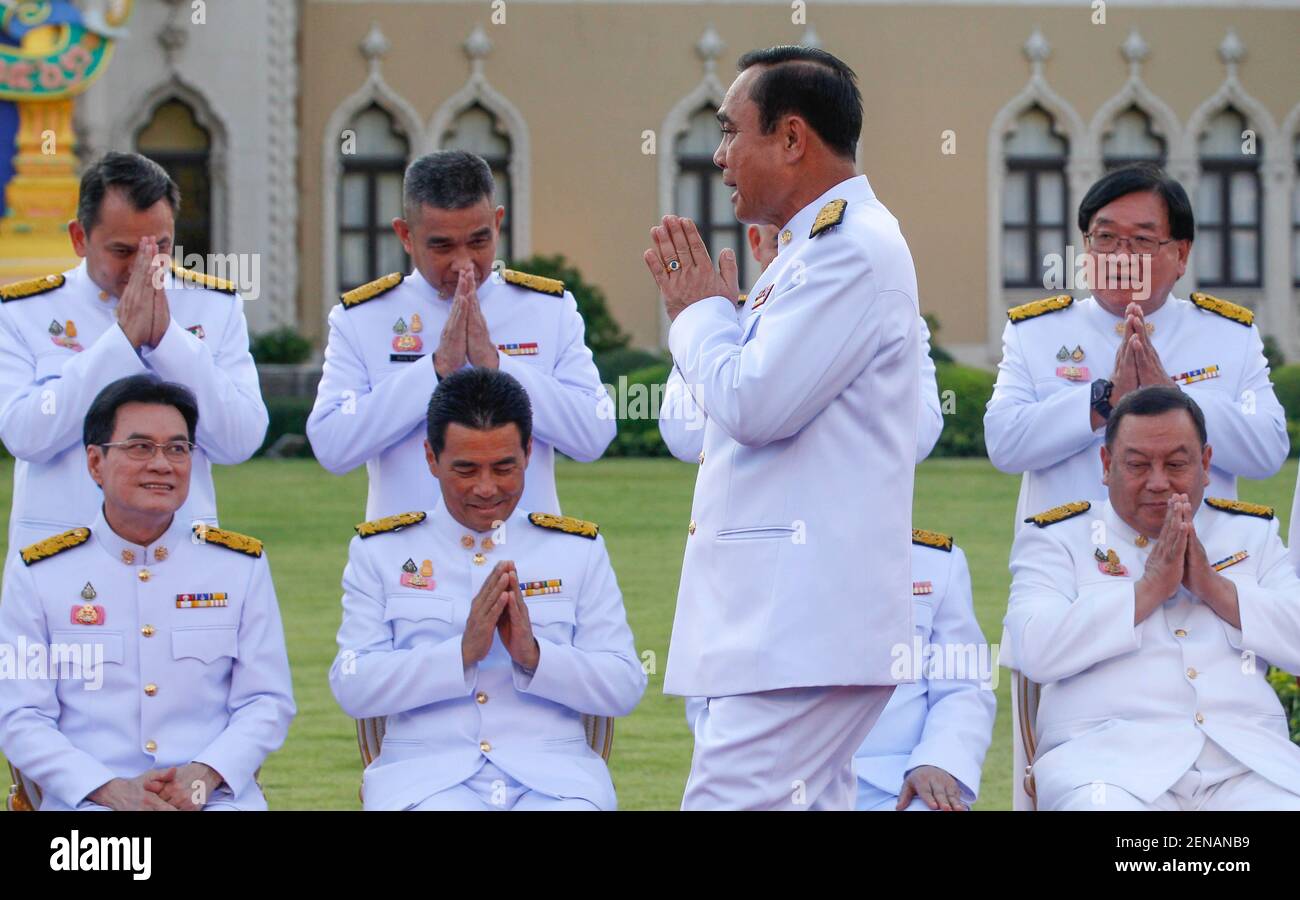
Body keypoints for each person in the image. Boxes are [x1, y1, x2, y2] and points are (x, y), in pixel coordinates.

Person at [643, 45, 921, 810]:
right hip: (788, 630)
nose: (720, 155)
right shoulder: (809, 254)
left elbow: (754, 407)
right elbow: (712, 429)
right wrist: (722, 319)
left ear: (792, 139)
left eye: (733, 132)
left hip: (799, 631)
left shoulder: (848, 250)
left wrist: (698, 310)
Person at [328, 367, 645, 810]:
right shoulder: (380, 551)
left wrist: (534, 656)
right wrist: (460, 653)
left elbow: (624, 684)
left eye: (504, 467)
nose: (486, 488)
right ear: (430, 458)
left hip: (555, 781)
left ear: (529, 452)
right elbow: (352, 685)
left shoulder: (576, 550)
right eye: (465, 468)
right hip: (428, 782)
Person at [0, 375, 295, 811]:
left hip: (210, 799)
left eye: (177, 449)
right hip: (88, 802)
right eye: (140, 447)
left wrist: (203, 778)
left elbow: (267, 702)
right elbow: (20, 716)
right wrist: (108, 789)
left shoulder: (238, 567)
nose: (162, 464)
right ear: (95, 463)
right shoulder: (40, 574)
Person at [1003, 386, 1300, 811]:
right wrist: (1147, 592)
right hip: (1106, 770)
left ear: (1206, 464)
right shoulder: (1057, 538)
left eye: (1177, 464)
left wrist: (1215, 590)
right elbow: (1036, 650)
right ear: (1107, 466)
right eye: (1138, 465)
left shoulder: (1251, 532)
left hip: (1248, 767)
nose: (1158, 483)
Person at [308, 151, 614, 521]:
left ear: (498, 223)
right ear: (405, 235)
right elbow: (332, 445)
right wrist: (435, 370)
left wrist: (499, 366)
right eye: (442, 245)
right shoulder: (363, 318)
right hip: (411, 569)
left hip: (523, 563)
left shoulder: (547, 309)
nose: (463, 262)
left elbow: (593, 435)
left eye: (478, 241)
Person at [984, 163, 1287, 529]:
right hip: (1070, 568)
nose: (1120, 257)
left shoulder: (1228, 334)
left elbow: (1267, 452)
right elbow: (1004, 445)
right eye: (1105, 238)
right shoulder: (1037, 332)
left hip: (1194, 569)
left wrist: (1175, 398)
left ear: (1182, 254)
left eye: (1142, 241)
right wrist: (1102, 402)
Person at [0, 151, 268, 553]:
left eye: (161, 246)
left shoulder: (213, 305)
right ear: (79, 238)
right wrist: (120, 344)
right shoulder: (26, 311)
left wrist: (170, 343)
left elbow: (240, 440)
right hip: (63, 554)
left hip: (178, 551)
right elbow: (26, 436)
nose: (146, 266)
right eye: (123, 251)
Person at [659, 221, 943, 465]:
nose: (792, 261)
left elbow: (919, 437)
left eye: (804, 247)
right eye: (778, 244)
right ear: (756, 244)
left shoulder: (887, 316)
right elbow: (683, 437)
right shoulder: (724, 324)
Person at [853, 530, 995, 811]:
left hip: (898, 783)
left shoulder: (935, 561)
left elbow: (965, 687)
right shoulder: (771, 557)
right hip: (785, 780)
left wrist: (938, 760)